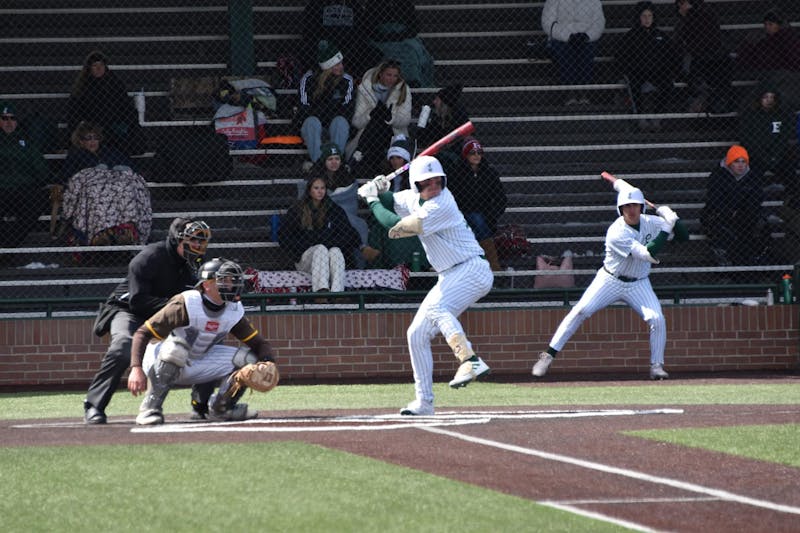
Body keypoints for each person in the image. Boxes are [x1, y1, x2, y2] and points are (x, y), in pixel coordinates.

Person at [357, 155, 493, 415]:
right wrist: (380, 189)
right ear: (415, 185)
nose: (433, 186)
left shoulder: (442, 204)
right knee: (416, 334)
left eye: (437, 181)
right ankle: (424, 402)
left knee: (437, 309)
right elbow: (392, 202)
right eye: (426, 182)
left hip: (472, 269)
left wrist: (372, 199)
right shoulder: (412, 197)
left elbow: (395, 226)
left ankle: (469, 359)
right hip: (450, 274)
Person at [533, 177, 689, 381]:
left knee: (657, 318)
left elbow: (684, 238)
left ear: (641, 207)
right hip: (610, 280)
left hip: (639, 282)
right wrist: (668, 226)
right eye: (626, 206)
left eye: (635, 205)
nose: (631, 210)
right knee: (580, 311)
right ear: (620, 209)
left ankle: (657, 366)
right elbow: (647, 254)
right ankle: (547, 356)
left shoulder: (651, 222)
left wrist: (674, 218)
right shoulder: (617, 232)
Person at [83, 218, 212, 424]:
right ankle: (93, 405)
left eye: (201, 241)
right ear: (177, 239)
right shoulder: (150, 256)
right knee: (124, 346)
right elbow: (138, 301)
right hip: (129, 310)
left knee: (203, 338)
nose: (198, 245)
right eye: (193, 240)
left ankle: (201, 405)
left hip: (166, 313)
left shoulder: (195, 264)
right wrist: (175, 307)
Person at [128, 258, 276, 425]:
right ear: (206, 285)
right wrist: (136, 368)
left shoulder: (233, 309)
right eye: (224, 280)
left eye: (232, 280)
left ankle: (222, 408)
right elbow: (142, 333)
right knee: (176, 349)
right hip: (161, 359)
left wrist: (268, 362)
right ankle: (150, 408)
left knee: (248, 360)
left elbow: (259, 343)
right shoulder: (187, 303)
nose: (231, 285)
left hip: (198, 359)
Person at [59, 122, 152, 247]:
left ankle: (124, 231)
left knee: (126, 188)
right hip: (93, 188)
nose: (93, 141)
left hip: (113, 188)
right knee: (94, 192)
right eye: (88, 138)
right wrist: (93, 172)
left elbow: (129, 168)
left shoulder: (109, 152)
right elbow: (69, 176)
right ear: (81, 141)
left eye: (95, 138)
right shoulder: (75, 155)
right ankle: (99, 234)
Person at [278, 175, 360, 294]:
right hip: (305, 258)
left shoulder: (333, 209)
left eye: (323, 188)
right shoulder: (297, 210)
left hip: (328, 256)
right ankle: (321, 292)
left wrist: (329, 243)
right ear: (309, 190)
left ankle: (337, 293)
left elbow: (347, 232)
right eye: (316, 188)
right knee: (320, 249)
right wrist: (304, 247)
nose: (320, 191)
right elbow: (284, 236)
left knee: (336, 251)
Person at [311, 142, 381, 265]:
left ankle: (360, 263)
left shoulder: (347, 177)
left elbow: (350, 201)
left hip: (345, 215)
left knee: (359, 224)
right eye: (330, 159)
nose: (334, 162)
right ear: (324, 161)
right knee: (345, 220)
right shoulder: (315, 177)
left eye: (337, 159)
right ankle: (362, 248)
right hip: (323, 215)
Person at [366, 135, 429, 270]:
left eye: (399, 158)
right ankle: (379, 265)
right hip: (387, 211)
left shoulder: (414, 177)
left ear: (405, 159)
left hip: (406, 212)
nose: (395, 161)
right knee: (377, 226)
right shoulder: (384, 175)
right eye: (392, 158)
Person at [700, 145, 769, 267]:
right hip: (723, 215)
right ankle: (725, 258)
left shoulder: (752, 176)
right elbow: (715, 200)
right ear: (730, 163)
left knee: (757, 225)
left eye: (743, 161)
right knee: (723, 228)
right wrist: (730, 211)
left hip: (745, 215)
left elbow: (756, 198)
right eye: (736, 161)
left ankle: (752, 259)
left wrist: (743, 211)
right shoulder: (718, 175)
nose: (741, 165)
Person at [66, 50, 146, 156]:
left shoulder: (115, 83)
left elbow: (126, 106)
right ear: (89, 68)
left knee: (129, 134)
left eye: (101, 65)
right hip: (92, 126)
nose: (99, 68)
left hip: (113, 124)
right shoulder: (82, 87)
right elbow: (73, 111)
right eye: (95, 65)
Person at [615, 1, 680, 131]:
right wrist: (630, 69)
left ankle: (657, 118)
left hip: (657, 72)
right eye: (644, 16)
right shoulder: (630, 36)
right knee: (634, 84)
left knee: (668, 84)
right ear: (638, 17)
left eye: (650, 16)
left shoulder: (660, 35)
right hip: (637, 72)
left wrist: (669, 70)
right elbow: (621, 56)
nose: (647, 19)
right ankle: (641, 119)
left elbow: (672, 55)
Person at [448, 138, 507, 271]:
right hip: (462, 212)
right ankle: (492, 265)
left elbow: (501, 198)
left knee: (479, 221)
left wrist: (493, 215)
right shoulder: (456, 173)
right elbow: (451, 196)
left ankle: (485, 266)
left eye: (479, 152)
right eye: (472, 153)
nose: (476, 156)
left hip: (485, 214)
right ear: (465, 155)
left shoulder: (490, 173)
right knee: (477, 221)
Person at [347, 59, 412, 179]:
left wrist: (391, 118)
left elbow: (405, 120)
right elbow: (357, 122)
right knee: (376, 122)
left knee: (379, 123)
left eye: (395, 76)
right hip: (369, 133)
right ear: (380, 74)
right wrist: (370, 114)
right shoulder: (365, 89)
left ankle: (358, 157)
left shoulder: (403, 89)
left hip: (392, 133)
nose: (391, 79)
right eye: (388, 75)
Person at [296, 41, 355, 170]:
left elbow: (347, 108)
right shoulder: (309, 79)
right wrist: (325, 109)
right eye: (337, 64)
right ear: (327, 66)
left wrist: (327, 111)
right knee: (312, 122)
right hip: (315, 125)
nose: (341, 67)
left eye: (341, 63)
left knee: (340, 122)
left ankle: (336, 164)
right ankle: (320, 166)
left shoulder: (347, 80)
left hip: (334, 125)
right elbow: (304, 107)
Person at [0, 101, 50, 248]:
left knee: (38, 200)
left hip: (23, 190)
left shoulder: (26, 142)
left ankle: (8, 246)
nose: (9, 122)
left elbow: (41, 170)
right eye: (4, 118)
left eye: (12, 118)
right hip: (1, 189)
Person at [672, 0, 732, 113]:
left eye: (683, 3)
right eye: (679, 4)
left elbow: (712, 39)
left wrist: (690, 13)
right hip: (697, 60)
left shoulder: (705, 17)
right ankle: (707, 98)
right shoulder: (681, 24)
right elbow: (677, 46)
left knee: (720, 66)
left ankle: (715, 100)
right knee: (692, 66)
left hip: (711, 58)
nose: (682, 7)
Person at [541, 0, 606, 105]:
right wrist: (567, 36)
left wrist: (587, 36)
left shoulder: (594, 1)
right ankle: (569, 92)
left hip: (585, 38)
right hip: (561, 38)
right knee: (564, 52)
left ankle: (584, 91)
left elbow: (599, 23)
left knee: (587, 51)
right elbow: (548, 22)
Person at [364, 0, 435, 87]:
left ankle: (411, 80)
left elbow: (414, 27)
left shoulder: (405, 3)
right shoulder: (374, 3)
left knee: (411, 49)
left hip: (403, 37)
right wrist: (385, 36)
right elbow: (367, 27)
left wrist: (399, 35)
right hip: (380, 38)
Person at [737, 84, 796, 187]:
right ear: (759, 99)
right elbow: (747, 139)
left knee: (790, 173)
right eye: (766, 97)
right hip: (757, 156)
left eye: (772, 97)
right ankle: (753, 194)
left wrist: (775, 156)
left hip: (778, 155)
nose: (769, 100)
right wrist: (764, 156)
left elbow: (784, 137)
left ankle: (791, 195)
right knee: (751, 177)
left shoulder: (782, 115)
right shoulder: (750, 116)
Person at [301, 0, 380, 76]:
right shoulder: (317, 3)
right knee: (306, 50)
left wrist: (352, 41)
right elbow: (308, 29)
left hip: (350, 45)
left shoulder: (354, 4)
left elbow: (363, 28)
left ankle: (356, 78)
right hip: (326, 45)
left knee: (372, 54)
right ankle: (318, 77)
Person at [415, 85, 470, 170]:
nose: (434, 102)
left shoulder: (459, 119)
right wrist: (423, 123)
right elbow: (422, 139)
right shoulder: (437, 120)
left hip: (455, 159)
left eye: (437, 99)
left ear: (444, 103)